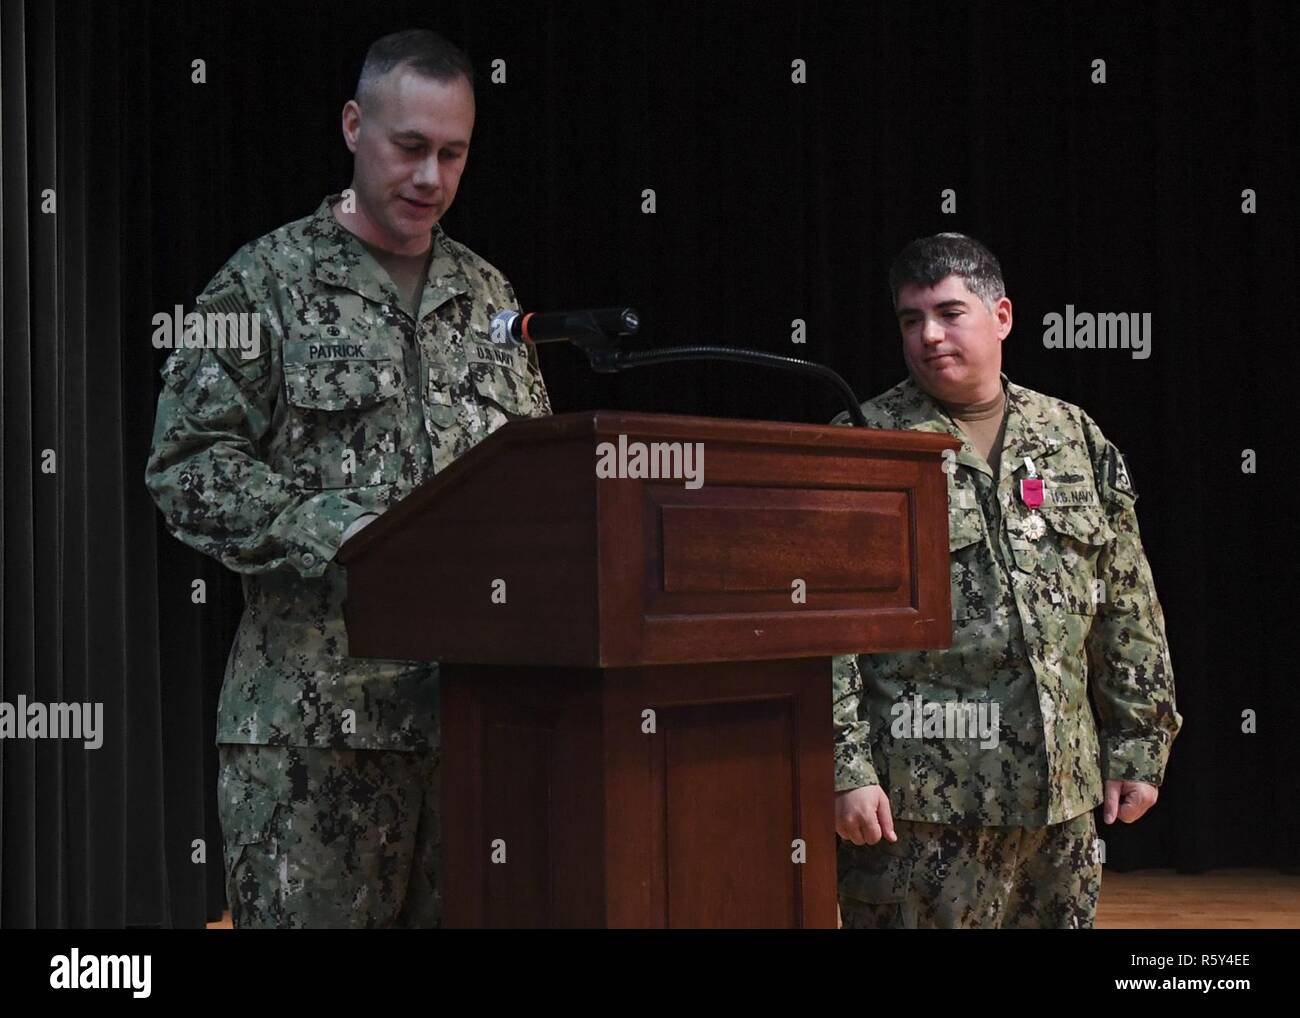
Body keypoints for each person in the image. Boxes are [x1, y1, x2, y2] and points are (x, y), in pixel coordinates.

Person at [145, 29, 550, 928]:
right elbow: (186, 467)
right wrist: (347, 532)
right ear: (352, 125)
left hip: (470, 725)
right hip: (313, 736)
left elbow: (536, 484)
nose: (431, 178)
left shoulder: (490, 298)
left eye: (453, 154)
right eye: (410, 148)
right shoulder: (260, 286)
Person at [831, 232, 1180, 929]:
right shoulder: (865, 442)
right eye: (910, 319)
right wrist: (847, 770)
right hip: (922, 809)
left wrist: (1140, 744)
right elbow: (826, 633)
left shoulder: (1073, 436)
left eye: (949, 312)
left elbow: (1126, 602)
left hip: (1062, 800)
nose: (929, 335)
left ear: (1002, 316)